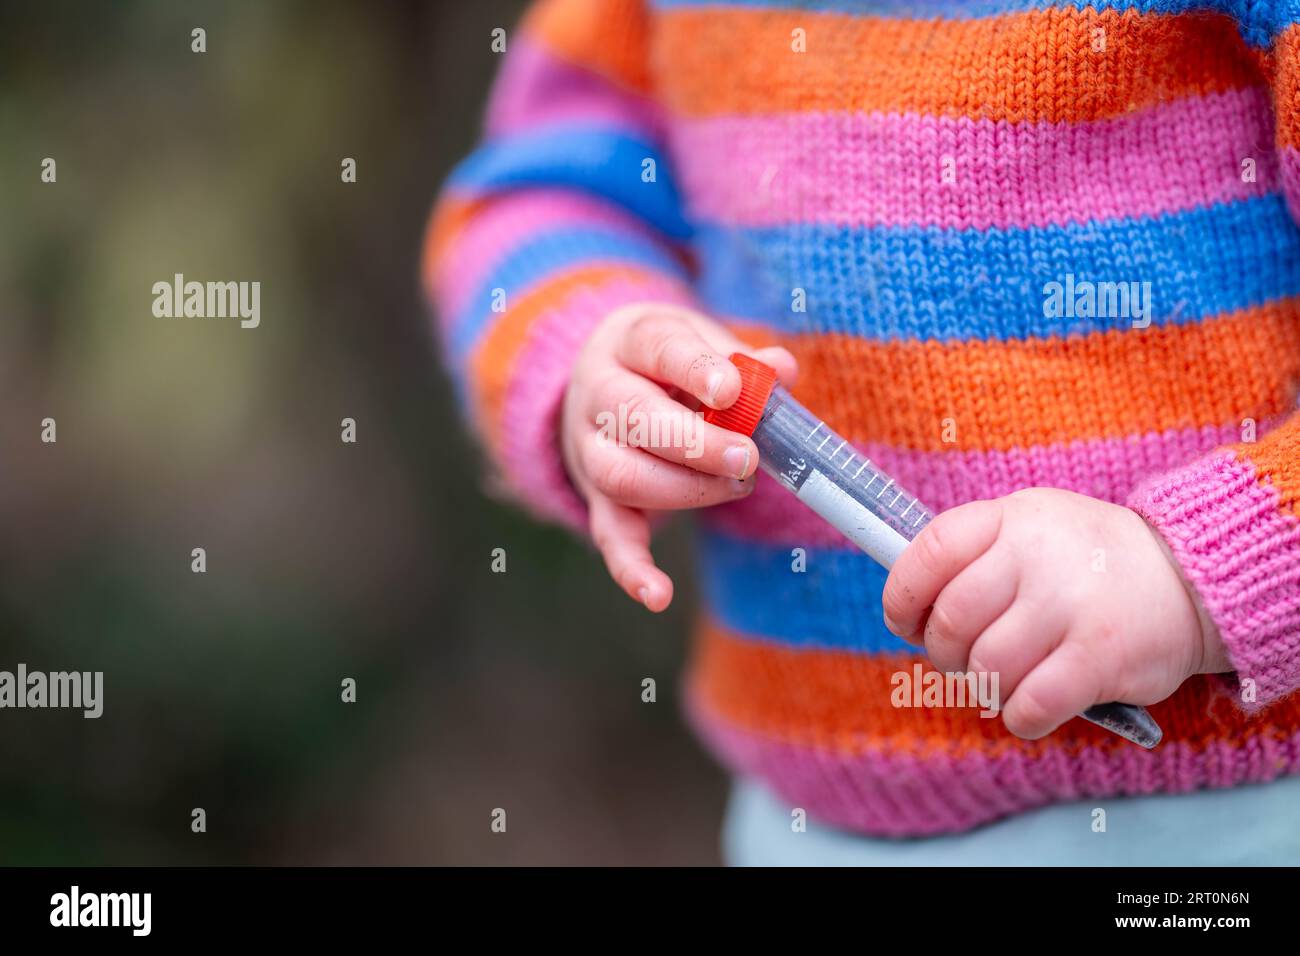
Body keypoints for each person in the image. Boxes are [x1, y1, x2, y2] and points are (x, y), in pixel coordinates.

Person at [423, 0, 1300, 864]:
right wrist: (592, 348)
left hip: (1226, 822)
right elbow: (543, 188)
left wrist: (1194, 573)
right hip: (805, 818)